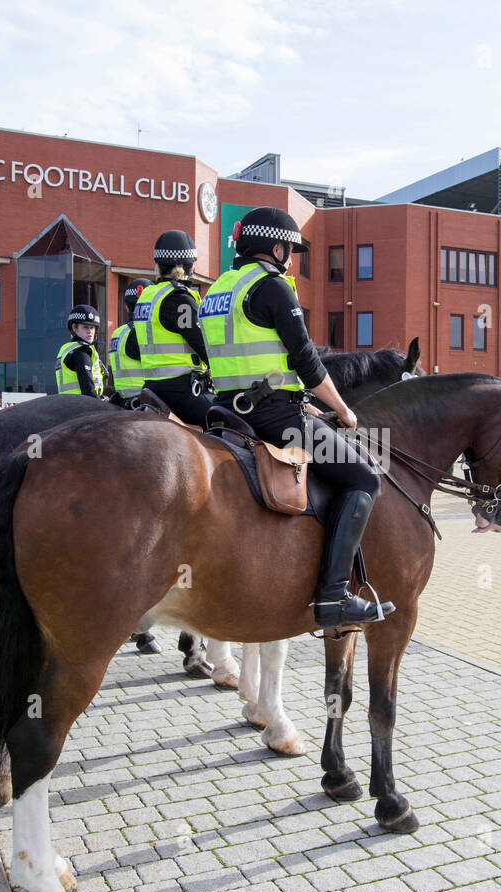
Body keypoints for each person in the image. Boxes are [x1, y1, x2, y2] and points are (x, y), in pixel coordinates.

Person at [201, 205, 392, 629]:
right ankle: (332, 597)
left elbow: (249, 361)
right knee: (365, 478)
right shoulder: (272, 286)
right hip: (275, 419)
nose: (291, 259)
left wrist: (302, 399)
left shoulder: (216, 290)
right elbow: (306, 359)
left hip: (228, 411)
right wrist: (342, 409)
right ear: (276, 247)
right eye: (290, 250)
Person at [133, 230, 214, 427]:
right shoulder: (179, 299)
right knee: (232, 420)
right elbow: (204, 345)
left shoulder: (147, 298)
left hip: (151, 389)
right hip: (182, 394)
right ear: (190, 266)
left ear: (158, 264)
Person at [108, 278, 153, 406]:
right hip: (144, 402)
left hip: (122, 400)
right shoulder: (140, 333)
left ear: (127, 307)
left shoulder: (118, 332)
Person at [54, 304, 106, 399]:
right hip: (81, 405)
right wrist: (98, 402)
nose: (90, 331)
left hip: (67, 402)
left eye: (92, 327)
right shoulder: (81, 352)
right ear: (74, 328)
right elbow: (87, 388)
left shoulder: (67, 349)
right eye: (85, 327)